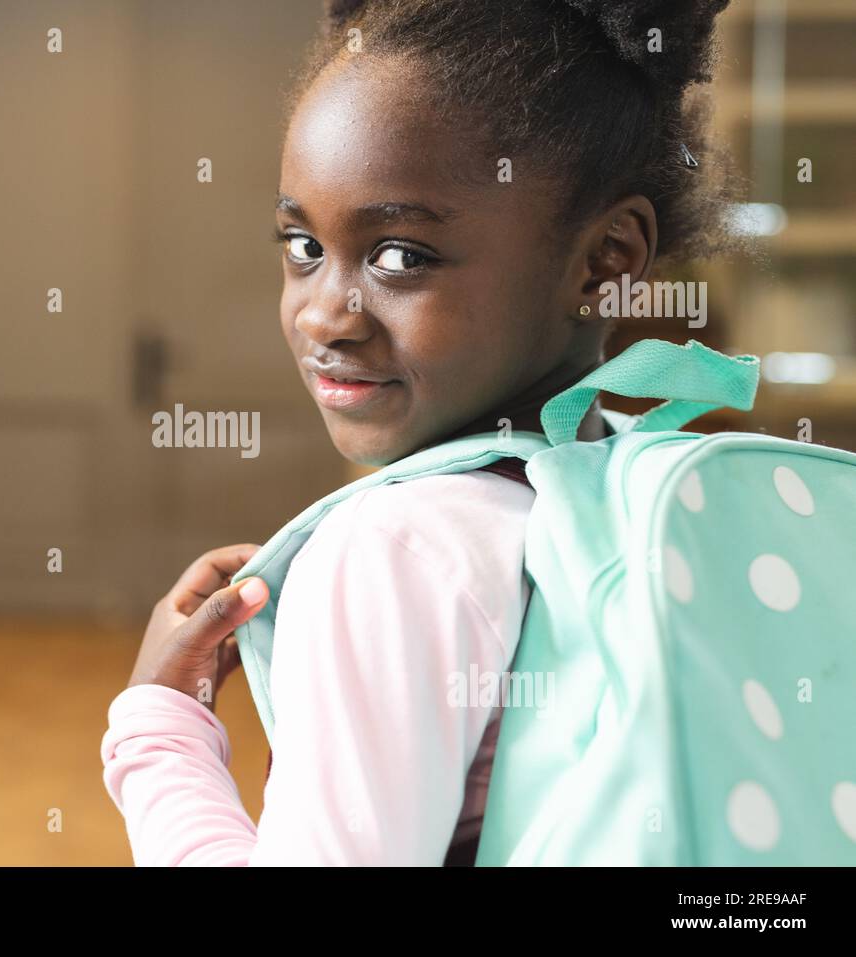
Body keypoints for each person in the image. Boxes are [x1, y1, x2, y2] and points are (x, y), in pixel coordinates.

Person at [101, 0, 737, 865]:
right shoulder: (657, 478)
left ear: (608, 260)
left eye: (400, 255)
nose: (325, 313)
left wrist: (158, 730)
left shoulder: (396, 547)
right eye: (301, 245)